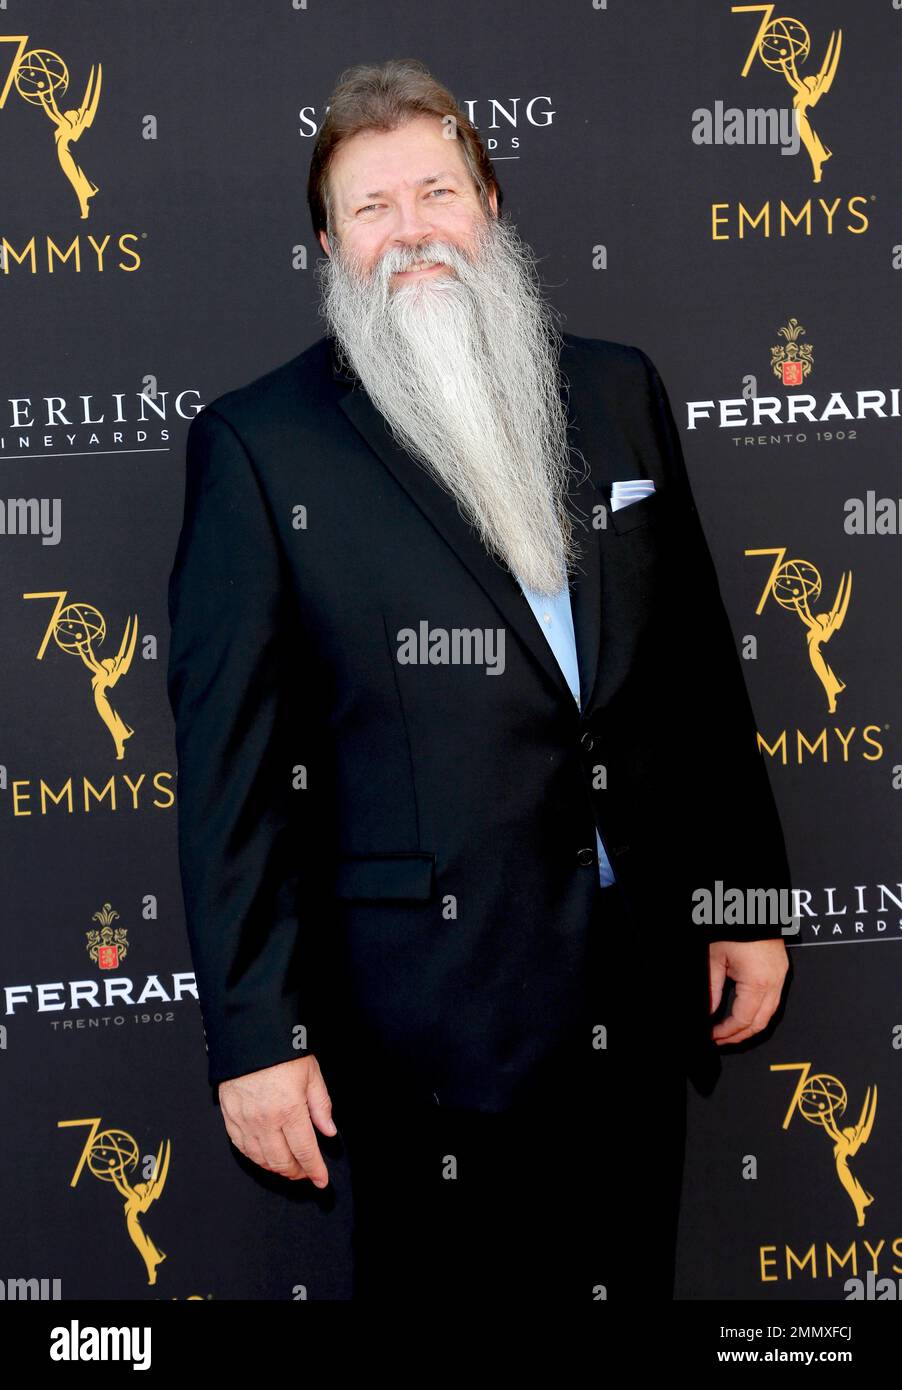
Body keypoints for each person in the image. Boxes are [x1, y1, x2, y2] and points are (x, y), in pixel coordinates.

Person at [165, 58, 792, 1303]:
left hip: (632, 977)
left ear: (488, 204)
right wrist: (256, 1036)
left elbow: (690, 675)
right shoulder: (260, 446)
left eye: (435, 192)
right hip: (426, 1025)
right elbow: (233, 775)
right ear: (329, 245)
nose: (411, 233)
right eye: (370, 207)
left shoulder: (614, 392)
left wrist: (737, 893)